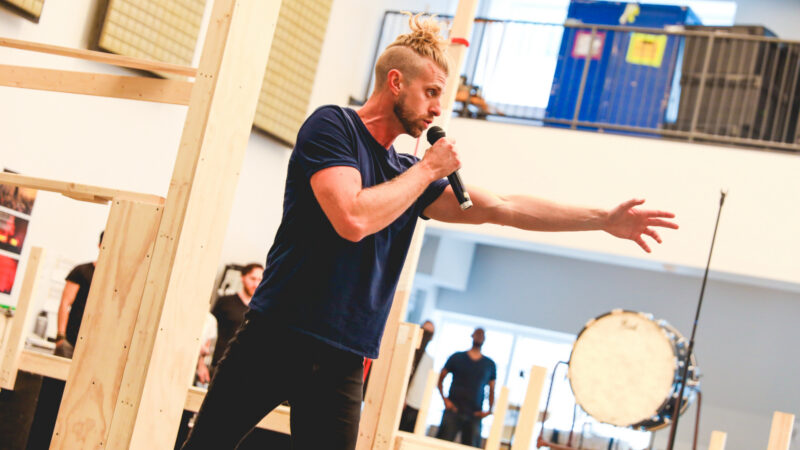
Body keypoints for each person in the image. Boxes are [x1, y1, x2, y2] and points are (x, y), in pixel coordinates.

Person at [182, 13, 677, 450]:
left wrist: (602, 219)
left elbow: (503, 206)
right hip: (278, 333)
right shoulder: (334, 127)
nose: (439, 109)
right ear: (396, 82)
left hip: (345, 356)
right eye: (433, 92)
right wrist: (425, 170)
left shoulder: (404, 170)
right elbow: (352, 218)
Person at [436, 328, 496, 447]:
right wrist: (445, 400)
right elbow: (440, 379)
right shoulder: (457, 357)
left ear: (484, 339)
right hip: (453, 410)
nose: (479, 337)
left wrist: (489, 410)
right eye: (477, 334)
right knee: (441, 445)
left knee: (472, 446)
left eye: (481, 335)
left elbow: (492, 389)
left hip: (474, 414)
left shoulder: (489, 364)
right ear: (472, 335)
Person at [54, 230, 103, 358]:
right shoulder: (81, 271)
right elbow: (65, 303)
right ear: (99, 245)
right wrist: (60, 335)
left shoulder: (114, 278)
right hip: (70, 339)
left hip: (94, 345)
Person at [208, 263, 263, 372]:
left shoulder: (261, 308)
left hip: (244, 368)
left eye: (260, 280)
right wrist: (202, 365)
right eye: (252, 279)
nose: (256, 284)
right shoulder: (225, 301)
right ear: (243, 277)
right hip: (218, 364)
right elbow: (208, 332)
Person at [399, 320, 435, 432]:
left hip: (415, 406)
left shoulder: (429, 360)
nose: (426, 335)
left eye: (429, 333)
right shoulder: (407, 352)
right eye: (425, 331)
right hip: (400, 401)